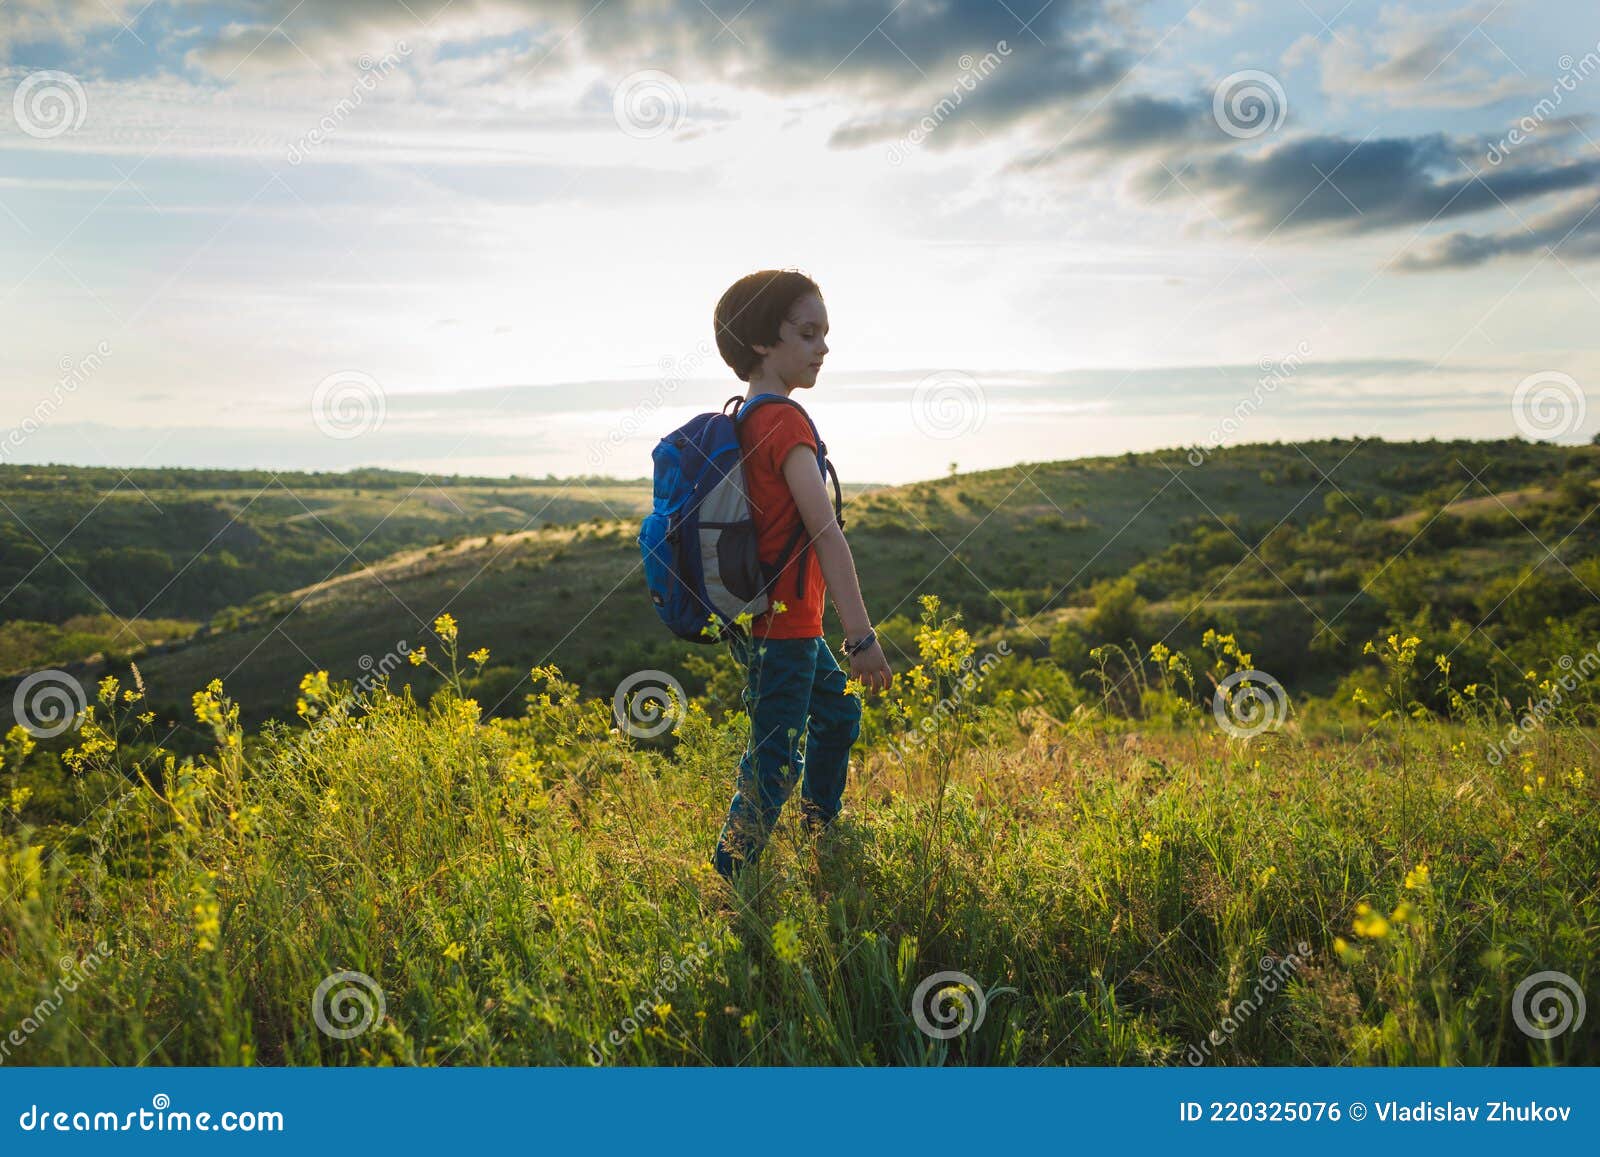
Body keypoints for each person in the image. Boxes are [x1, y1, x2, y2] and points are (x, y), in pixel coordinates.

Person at [708, 269, 893, 884]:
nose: (823, 348)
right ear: (763, 341)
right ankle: (730, 881)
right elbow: (824, 530)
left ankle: (820, 838)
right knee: (773, 766)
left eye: (825, 335)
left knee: (838, 718)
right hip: (785, 630)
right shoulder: (784, 421)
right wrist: (862, 638)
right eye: (808, 333)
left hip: (788, 624)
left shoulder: (747, 416)